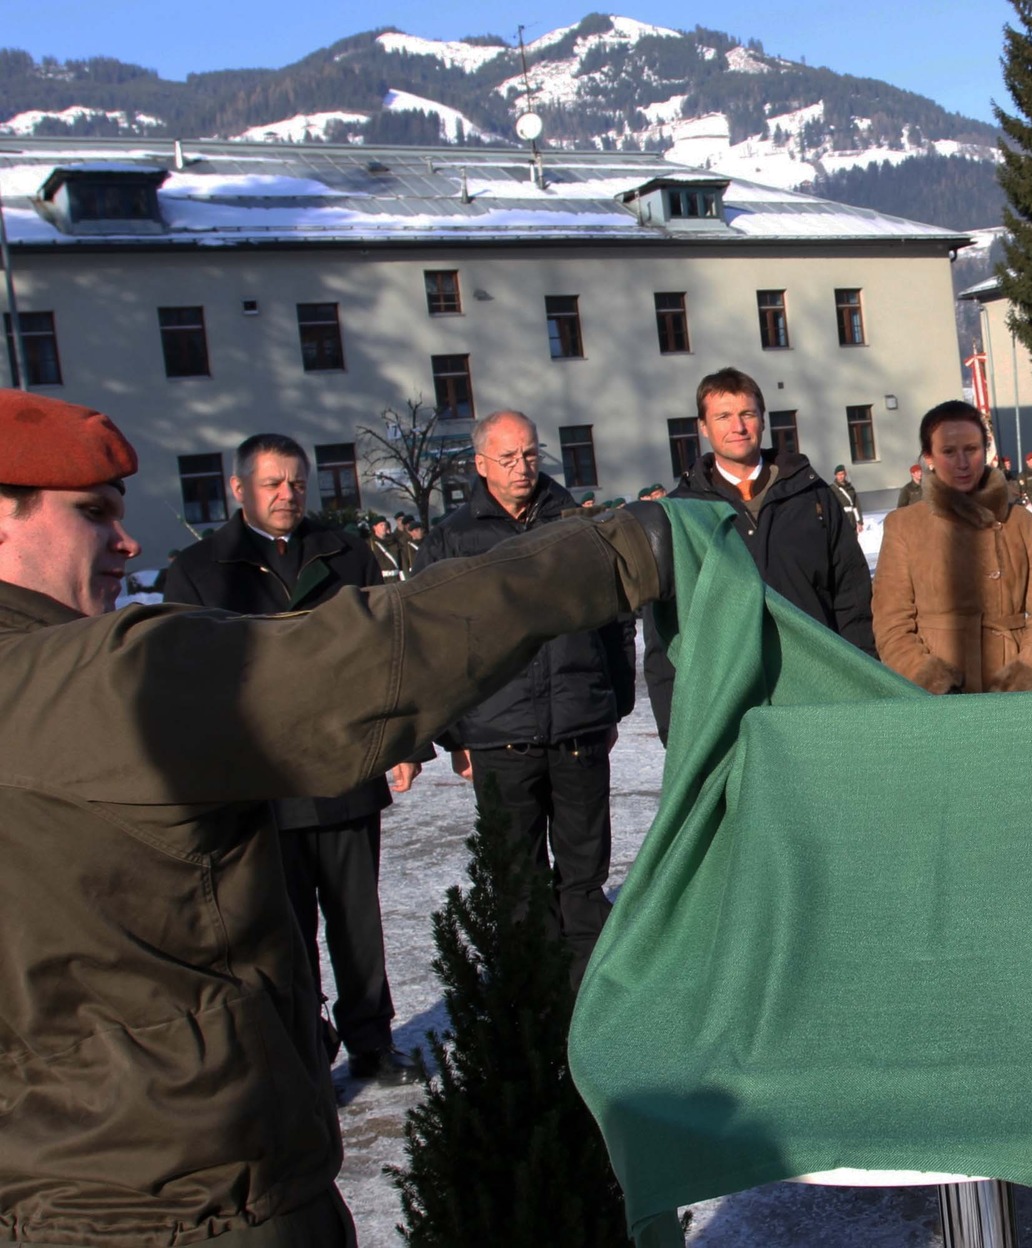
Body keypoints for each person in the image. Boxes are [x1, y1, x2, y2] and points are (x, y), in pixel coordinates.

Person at [0, 391, 672, 1246]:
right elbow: (360, 659)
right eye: (92, 514)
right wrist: (618, 549)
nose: (124, 542)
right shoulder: (83, 682)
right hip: (178, 1197)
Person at [162, 435, 420, 1087]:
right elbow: (182, 684)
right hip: (261, 782)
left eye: (297, 483)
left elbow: (388, 653)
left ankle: (371, 1039)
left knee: (357, 918)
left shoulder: (344, 553)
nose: (288, 495)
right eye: (273, 483)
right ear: (239, 488)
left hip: (344, 767)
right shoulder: (199, 572)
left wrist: (406, 742)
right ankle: (304, 1045)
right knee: (283, 929)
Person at [413, 409, 637, 989]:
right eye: (508, 457)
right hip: (498, 736)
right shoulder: (452, 542)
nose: (522, 467)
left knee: (584, 876)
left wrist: (611, 704)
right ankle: (535, 1000)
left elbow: (616, 618)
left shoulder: (579, 525)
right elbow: (432, 646)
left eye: (531, 454)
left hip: (579, 728)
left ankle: (587, 1000)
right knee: (518, 880)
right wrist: (453, 734)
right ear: (481, 464)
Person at [650, 368, 874, 739]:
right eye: (723, 416)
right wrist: (673, 727)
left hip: (817, 697)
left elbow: (852, 597)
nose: (737, 426)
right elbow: (664, 632)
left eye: (747, 414)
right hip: (727, 708)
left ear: (763, 421)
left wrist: (861, 681)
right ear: (703, 426)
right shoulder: (680, 514)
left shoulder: (812, 496)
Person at [873, 401, 1032, 694]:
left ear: (985, 451)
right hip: (938, 701)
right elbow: (892, 625)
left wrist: (1026, 675)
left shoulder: (1020, 522)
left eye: (971, 449)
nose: (962, 463)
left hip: (1015, 691)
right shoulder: (905, 526)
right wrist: (930, 679)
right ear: (930, 458)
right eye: (949, 452)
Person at [830, 464, 863, 532]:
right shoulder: (832, 489)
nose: (841, 476)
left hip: (852, 519)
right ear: (836, 475)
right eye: (838, 474)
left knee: (854, 540)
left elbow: (856, 505)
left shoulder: (850, 488)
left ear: (845, 475)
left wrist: (859, 522)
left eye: (842, 474)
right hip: (841, 520)